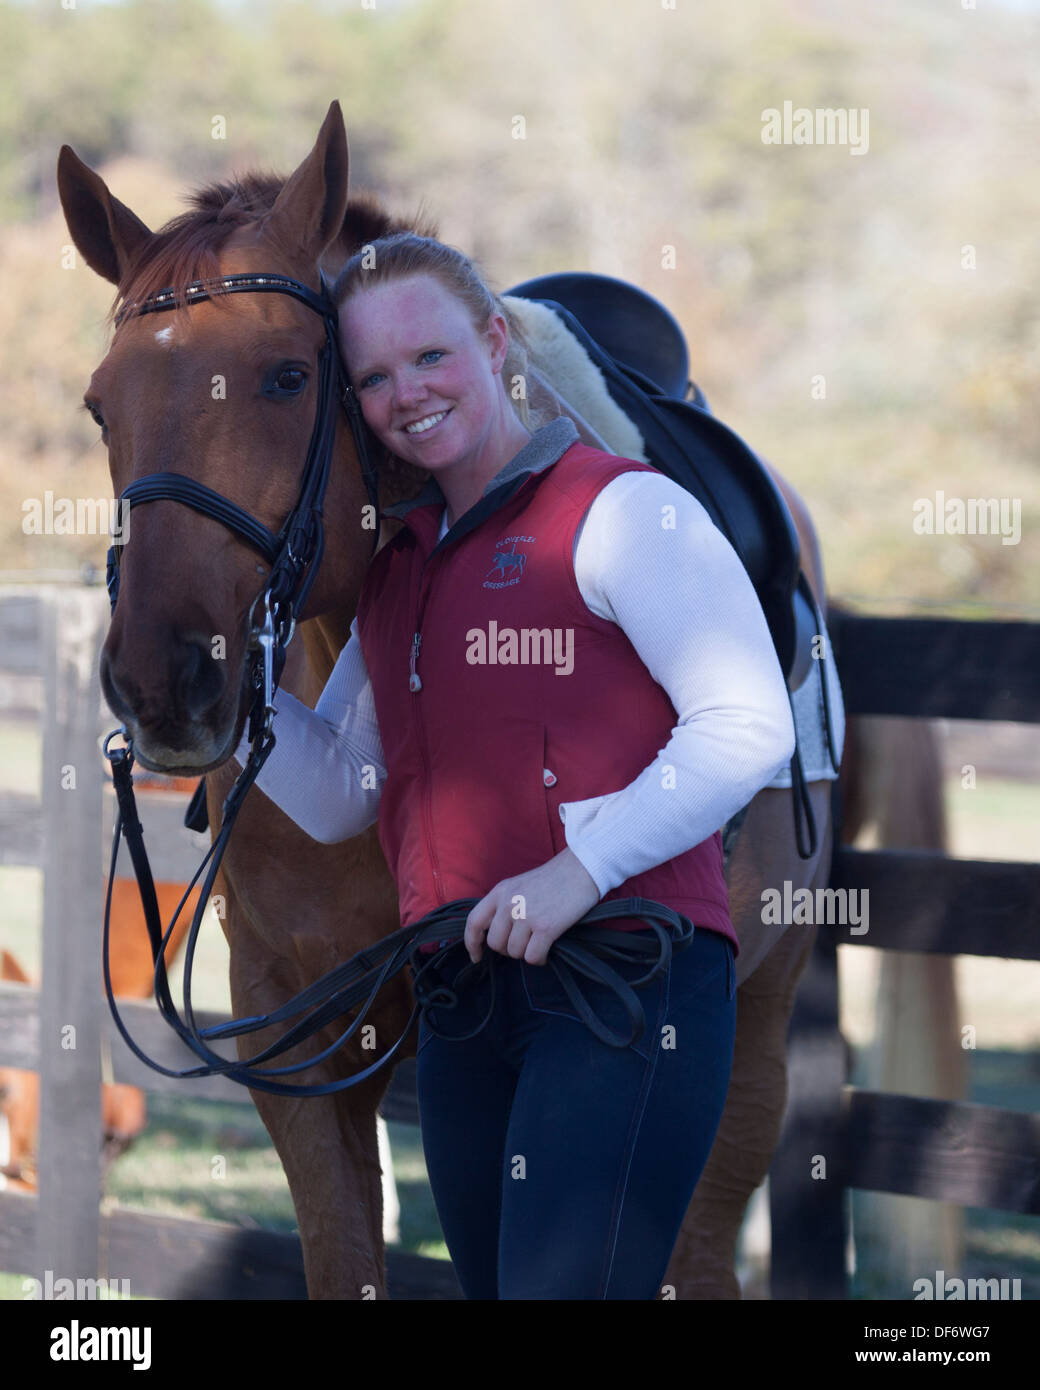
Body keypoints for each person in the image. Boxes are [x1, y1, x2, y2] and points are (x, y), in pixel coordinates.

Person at [232, 232, 796, 1299]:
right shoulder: (400, 572)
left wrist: (576, 870)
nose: (407, 393)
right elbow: (347, 793)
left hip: (625, 984)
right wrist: (238, 703)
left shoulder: (625, 511)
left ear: (495, 343)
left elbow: (744, 722)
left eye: (431, 357)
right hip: (467, 1002)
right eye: (375, 377)